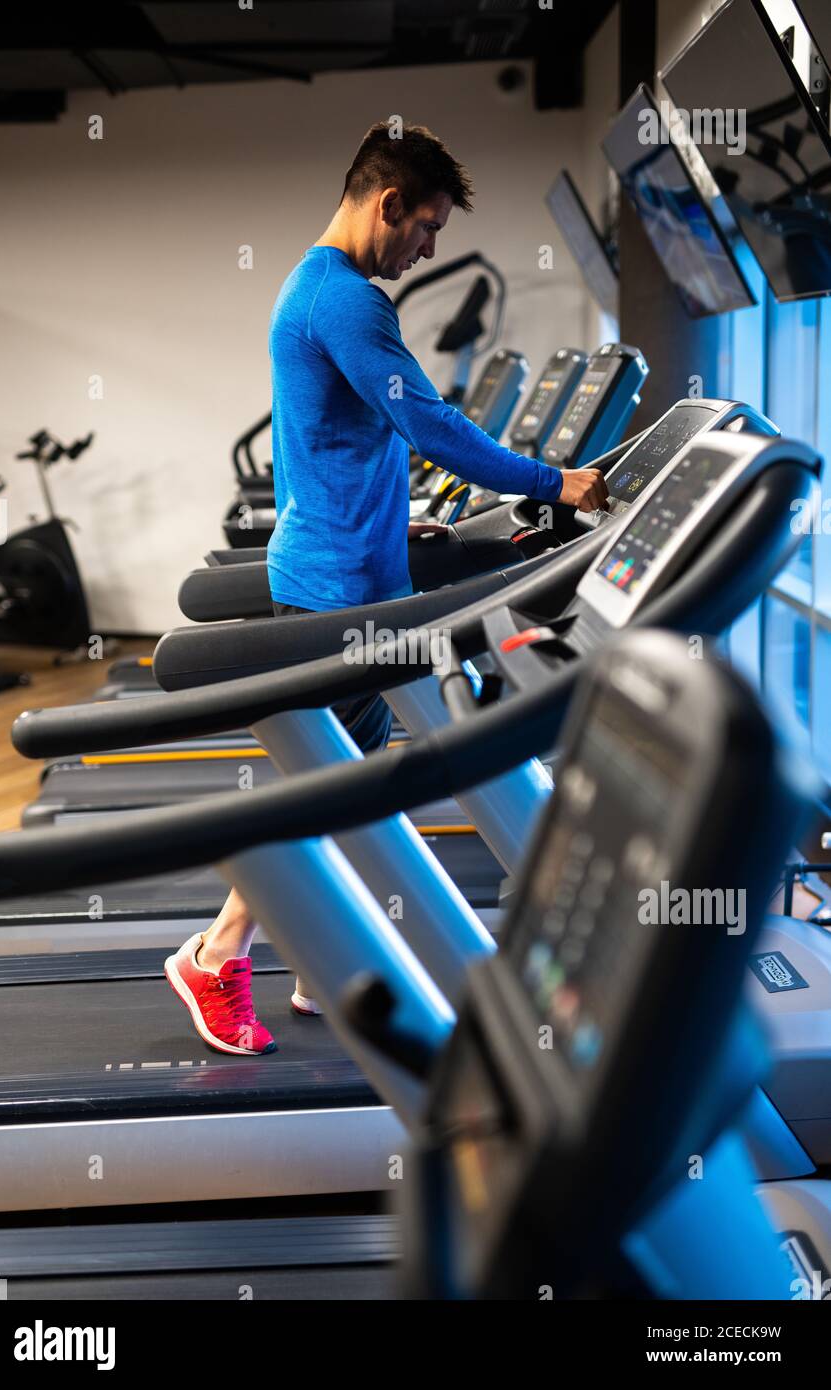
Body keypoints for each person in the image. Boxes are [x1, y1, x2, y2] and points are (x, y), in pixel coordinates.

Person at [165, 121, 609, 1054]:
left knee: (344, 789)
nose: (428, 249)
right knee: (331, 793)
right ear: (388, 205)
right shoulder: (350, 302)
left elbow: (317, 439)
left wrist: (384, 512)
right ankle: (215, 955)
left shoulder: (312, 286)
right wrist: (553, 483)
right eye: (426, 229)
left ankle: (306, 958)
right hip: (336, 595)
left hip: (349, 567)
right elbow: (439, 431)